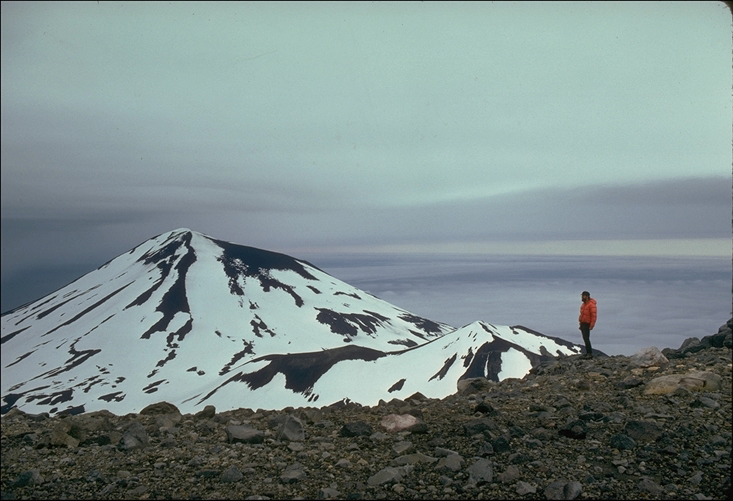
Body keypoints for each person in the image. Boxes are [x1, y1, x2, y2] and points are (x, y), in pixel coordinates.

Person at [578, 291, 597, 359]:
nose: (582, 297)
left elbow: (593, 315)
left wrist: (591, 325)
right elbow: (582, 315)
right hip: (583, 323)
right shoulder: (583, 305)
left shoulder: (591, 305)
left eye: (583, 296)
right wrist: (580, 323)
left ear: (586, 296)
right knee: (585, 338)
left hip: (587, 324)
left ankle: (589, 353)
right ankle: (588, 353)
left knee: (586, 338)